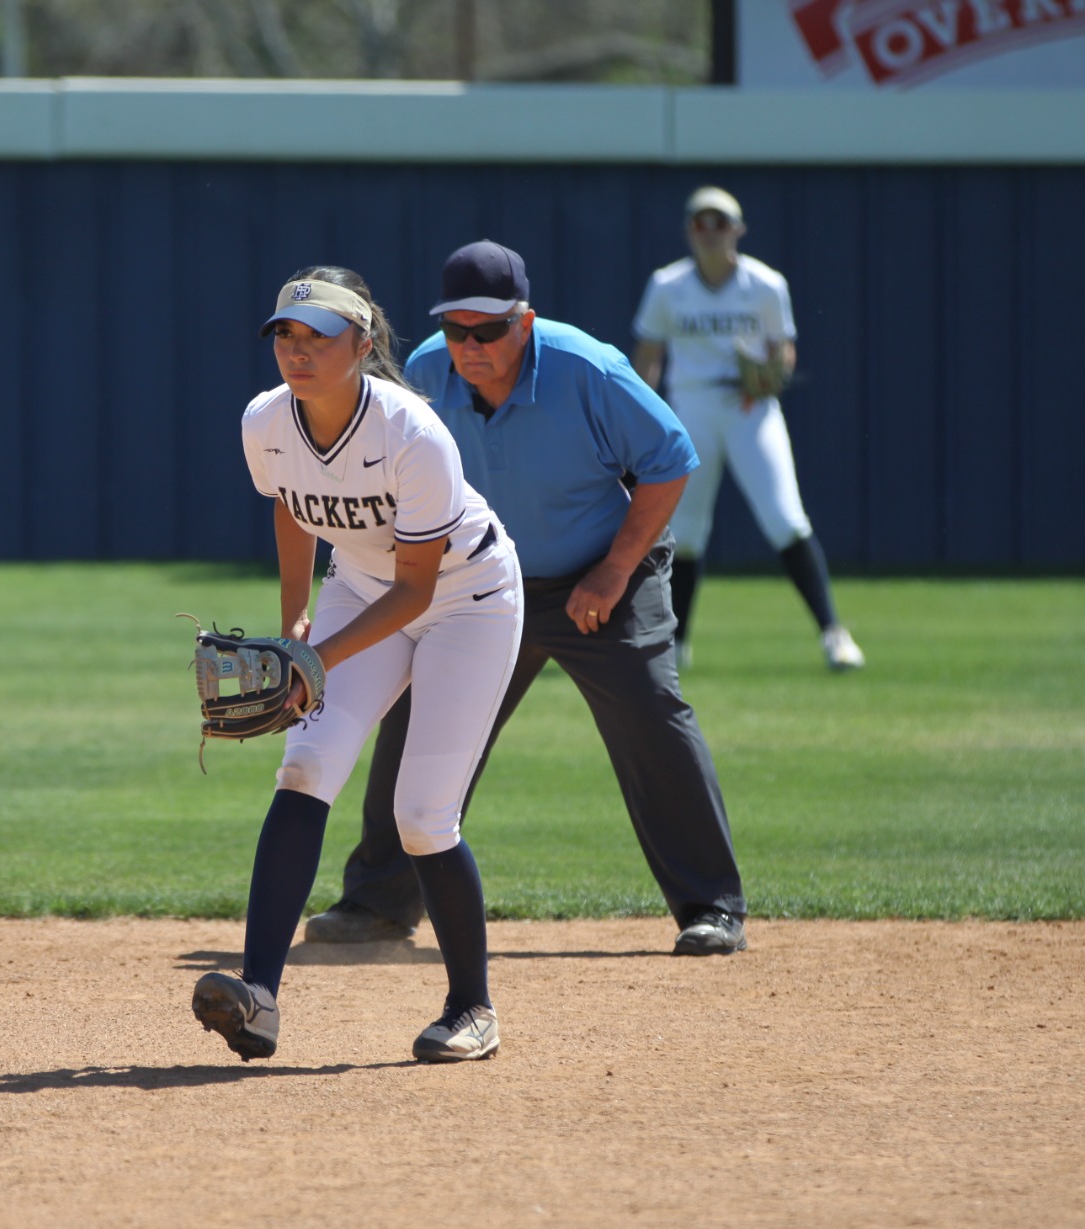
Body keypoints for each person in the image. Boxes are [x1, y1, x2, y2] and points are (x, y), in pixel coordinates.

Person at [305, 240, 748, 956]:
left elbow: (672, 462)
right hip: (480, 585)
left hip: (597, 575)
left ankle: (712, 906)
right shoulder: (426, 375)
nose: (469, 346)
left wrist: (612, 572)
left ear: (525, 321)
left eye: (488, 329)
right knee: (416, 716)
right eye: (456, 329)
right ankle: (379, 902)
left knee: (650, 715)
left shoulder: (588, 369)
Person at [189, 266, 524, 1065]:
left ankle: (472, 1007)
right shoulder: (266, 420)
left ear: (361, 345)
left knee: (421, 815)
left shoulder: (412, 434)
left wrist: (313, 657)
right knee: (305, 770)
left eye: (318, 337)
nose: (297, 352)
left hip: (468, 599)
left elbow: (416, 591)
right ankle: (260, 997)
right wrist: (293, 622)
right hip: (360, 588)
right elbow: (292, 505)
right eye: (286, 336)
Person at [630, 185, 864, 673]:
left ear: (737, 229)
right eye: (701, 223)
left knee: (784, 518)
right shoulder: (667, 285)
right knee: (685, 532)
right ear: (689, 231)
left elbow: (784, 351)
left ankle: (833, 634)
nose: (711, 232)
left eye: (721, 223)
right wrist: (643, 423)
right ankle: (677, 645)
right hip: (689, 404)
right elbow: (648, 358)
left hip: (747, 405)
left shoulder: (765, 284)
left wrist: (770, 373)